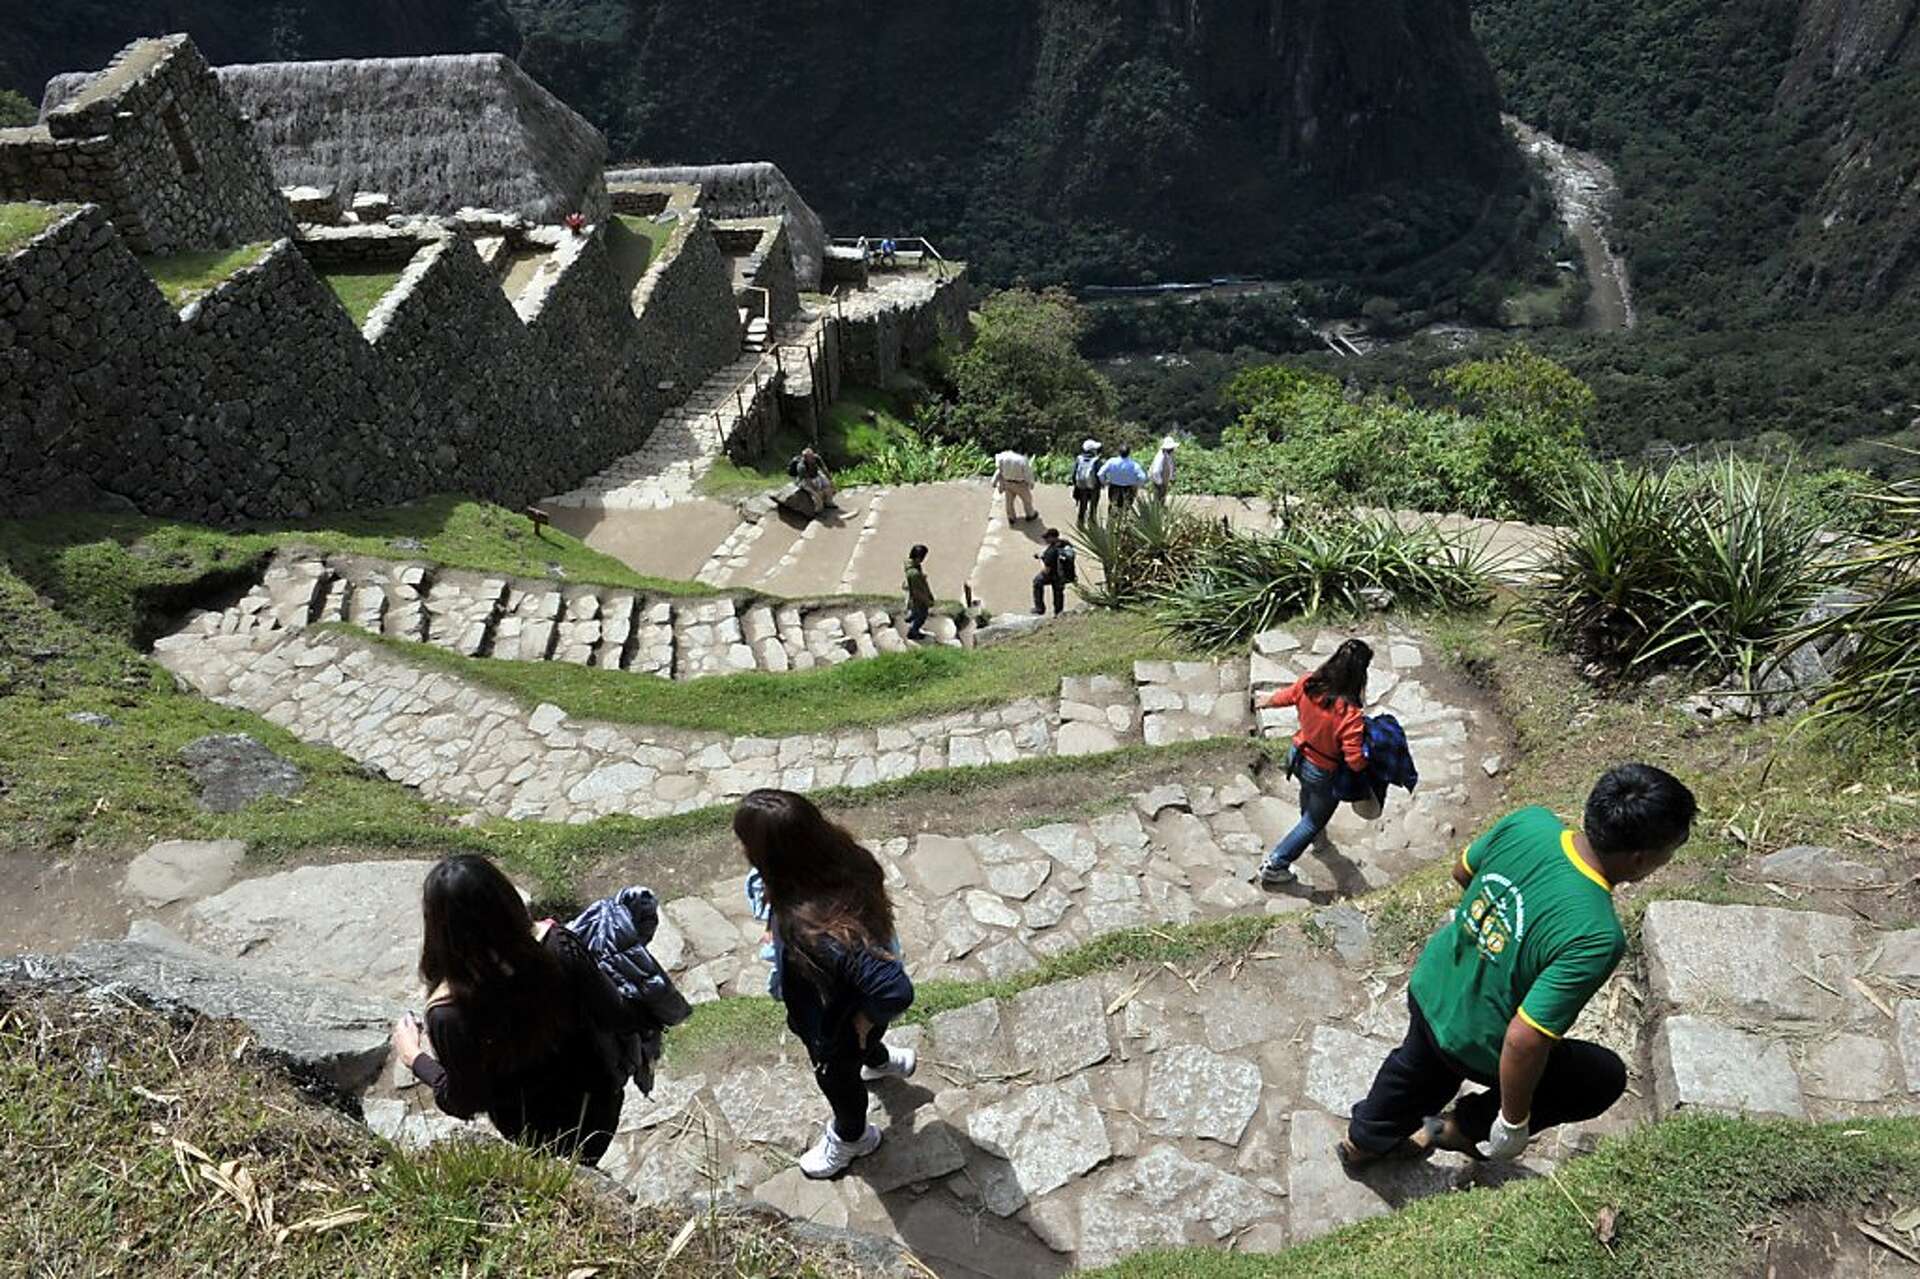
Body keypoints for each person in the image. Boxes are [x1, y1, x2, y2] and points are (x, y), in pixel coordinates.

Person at [1341, 765, 1696, 1170]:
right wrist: (1512, 1123)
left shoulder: (1530, 821)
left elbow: (1462, 872)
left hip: (1434, 981)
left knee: (1416, 1068)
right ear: (1640, 859)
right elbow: (1524, 1041)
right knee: (1601, 1078)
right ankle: (1460, 1127)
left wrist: (1493, 934)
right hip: (1476, 1039)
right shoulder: (1596, 933)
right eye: (1671, 852)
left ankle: (1364, 1141)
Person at [390, 855, 643, 1166]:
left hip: (530, 1130)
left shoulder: (448, 1014)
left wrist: (414, 1058)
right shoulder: (559, 945)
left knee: (565, 1167)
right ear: (507, 900)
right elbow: (615, 1013)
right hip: (598, 1107)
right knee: (585, 1161)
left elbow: (464, 1100)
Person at [734, 789, 916, 1179]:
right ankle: (881, 1061)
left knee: (836, 1078)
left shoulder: (812, 929)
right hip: (852, 1002)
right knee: (862, 1040)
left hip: (838, 1020)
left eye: (746, 843)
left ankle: (853, 1138)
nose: (741, 849)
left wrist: (865, 1018)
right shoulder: (844, 859)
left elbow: (895, 990)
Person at [1256, 639, 1373, 887]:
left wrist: (1267, 700)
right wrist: (1367, 766)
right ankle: (1276, 865)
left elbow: (1287, 696)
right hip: (1323, 770)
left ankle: (1313, 835)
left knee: (1307, 796)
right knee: (1313, 820)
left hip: (1297, 756)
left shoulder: (1309, 683)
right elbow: (1353, 760)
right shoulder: (1350, 715)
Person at [1033, 527, 1076, 615]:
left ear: (1053, 537)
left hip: (1053, 575)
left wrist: (1042, 561)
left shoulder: (1050, 552)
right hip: (1064, 575)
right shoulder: (1065, 543)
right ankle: (1058, 612)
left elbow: (1046, 570)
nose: (1045, 539)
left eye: (1047, 538)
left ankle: (1039, 608)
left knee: (1037, 582)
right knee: (1058, 594)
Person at [993, 447, 1038, 523]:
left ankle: (1011, 518)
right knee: (1027, 500)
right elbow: (1028, 474)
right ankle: (1030, 515)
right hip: (1020, 484)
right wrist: (1031, 483)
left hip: (1007, 483)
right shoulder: (1023, 460)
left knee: (1009, 502)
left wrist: (995, 481)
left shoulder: (1003, 456)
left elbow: (999, 469)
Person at [1098, 447, 1147, 516]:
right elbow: (1142, 477)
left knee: (1113, 506)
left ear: (1119, 452)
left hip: (1114, 487)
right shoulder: (1134, 464)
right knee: (1126, 508)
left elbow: (1100, 473)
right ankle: (1123, 523)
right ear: (1129, 453)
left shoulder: (1111, 461)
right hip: (1128, 489)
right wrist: (1137, 485)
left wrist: (1104, 482)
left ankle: (1112, 524)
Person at [788, 447, 837, 515]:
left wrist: (830, 480)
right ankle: (819, 509)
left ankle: (829, 502)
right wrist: (816, 489)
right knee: (815, 493)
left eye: (812, 456)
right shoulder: (801, 466)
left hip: (815, 474)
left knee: (827, 484)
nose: (812, 458)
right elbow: (807, 480)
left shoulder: (816, 458)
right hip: (803, 480)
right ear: (805, 458)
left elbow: (824, 468)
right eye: (810, 457)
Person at [903, 544, 935, 641]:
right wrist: (927, 601)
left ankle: (911, 618)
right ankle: (913, 632)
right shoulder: (914, 574)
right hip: (919, 598)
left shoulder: (912, 567)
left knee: (916, 611)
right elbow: (918, 591)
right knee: (922, 615)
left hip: (915, 595)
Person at [1071, 438, 1104, 524]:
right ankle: (1092, 523)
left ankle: (1080, 522)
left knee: (1082, 506)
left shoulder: (1079, 459)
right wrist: (1102, 484)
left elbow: (1074, 473)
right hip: (1094, 487)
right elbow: (1100, 474)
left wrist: (1076, 485)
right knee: (1093, 507)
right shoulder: (1097, 461)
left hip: (1081, 486)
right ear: (1093, 450)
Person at [1148, 436, 1179, 502]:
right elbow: (1155, 472)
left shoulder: (1169, 455)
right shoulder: (1160, 457)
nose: (1173, 449)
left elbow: (1171, 467)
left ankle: (1161, 509)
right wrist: (1160, 483)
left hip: (1164, 480)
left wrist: (1171, 478)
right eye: (1172, 448)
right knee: (1158, 499)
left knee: (1162, 498)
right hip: (1158, 481)